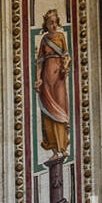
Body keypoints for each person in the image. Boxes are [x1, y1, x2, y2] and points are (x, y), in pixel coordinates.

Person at [34, 8, 71, 159]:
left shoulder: (61, 36)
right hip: (47, 78)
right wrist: (38, 79)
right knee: (48, 113)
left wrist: (66, 66)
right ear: (46, 25)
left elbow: (66, 55)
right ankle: (54, 150)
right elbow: (39, 63)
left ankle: (63, 147)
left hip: (59, 78)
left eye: (55, 22)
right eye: (51, 23)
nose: (54, 25)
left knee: (61, 109)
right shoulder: (44, 40)